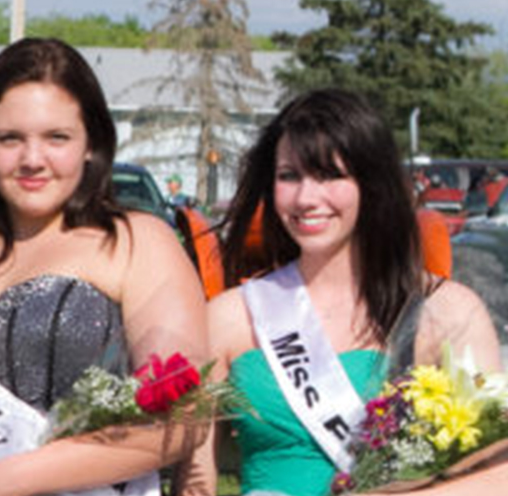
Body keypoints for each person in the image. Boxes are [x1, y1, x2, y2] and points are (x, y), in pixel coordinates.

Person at [0, 38, 209, 496]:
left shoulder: (137, 242)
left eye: (57, 137)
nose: (32, 160)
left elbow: (181, 417)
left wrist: (1, 482)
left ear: (92, 144)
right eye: (9, 139)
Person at [195, 89, 503, 496]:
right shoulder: (232, 315)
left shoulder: (447, 312)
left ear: (372, 184)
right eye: (289, 176)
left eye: (330, 175)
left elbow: (497, 473)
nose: (306, 198)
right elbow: (193, 480)